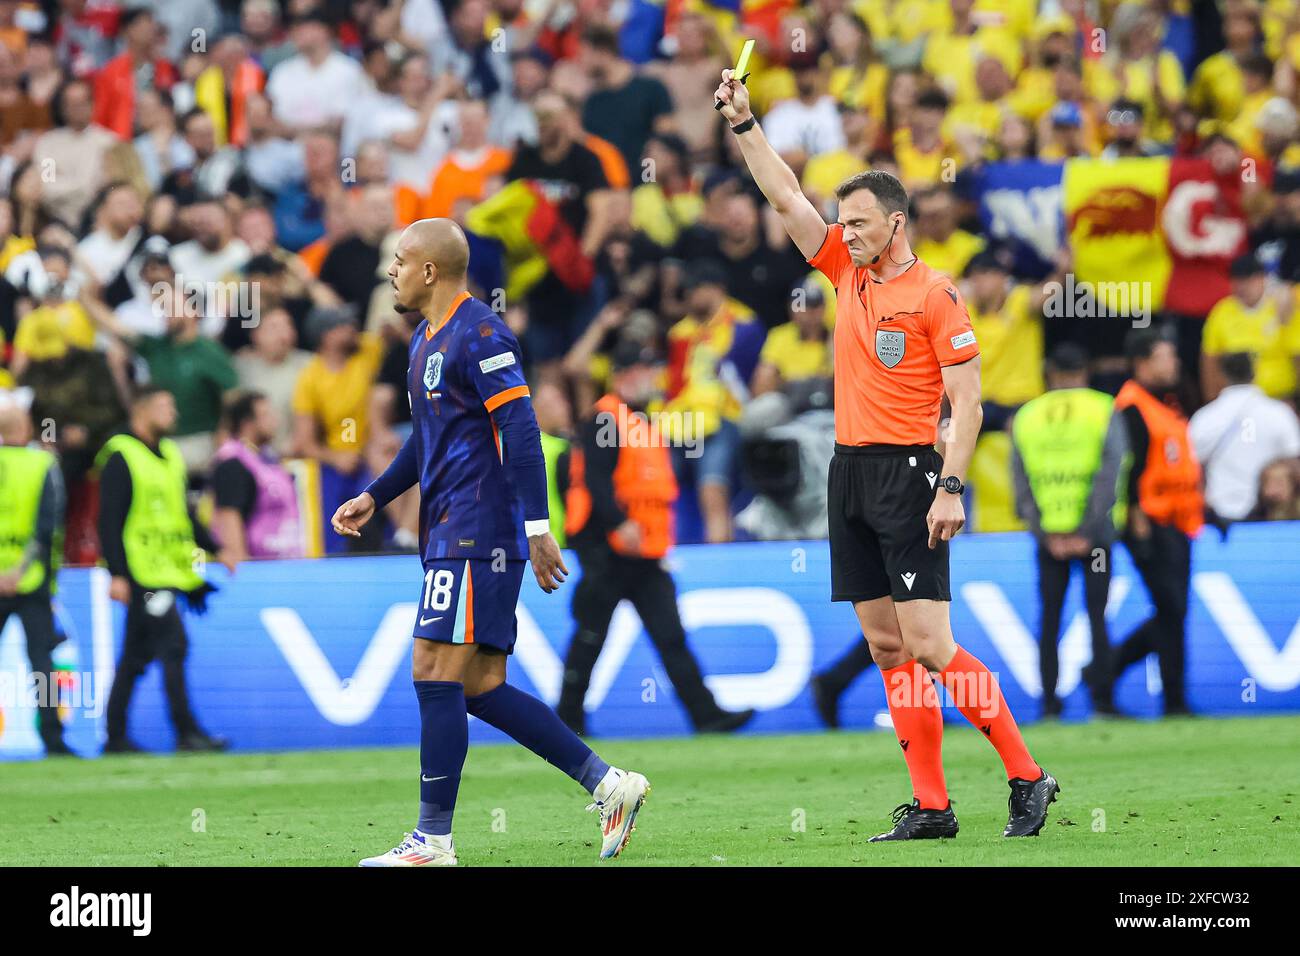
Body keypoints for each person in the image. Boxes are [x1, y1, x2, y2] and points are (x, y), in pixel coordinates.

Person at [716, 68, 1057, 841]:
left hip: (910, 473)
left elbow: (965, 405)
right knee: (886, 646)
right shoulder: (844, 270)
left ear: (896, 224)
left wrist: (952, 485)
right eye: (844, 221)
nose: (846, 231)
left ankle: (1029, 775)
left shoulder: (936, 294)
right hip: (850, 473)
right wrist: (745, 125)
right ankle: (933, 806)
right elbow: (784, 198)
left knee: (932, 645)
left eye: (860, 222)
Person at [331, 218, 649, 866]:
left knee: (430, 666)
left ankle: (433, 842)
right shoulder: (425, 340)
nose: (390, 272)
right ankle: (610, 785)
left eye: (398, 261)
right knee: (476, 687)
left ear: (429, 271)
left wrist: (536, 528)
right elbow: (428, 440)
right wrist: (376, 494)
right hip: (452, 525)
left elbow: (521, 426)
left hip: (478, 529)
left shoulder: (481, 332)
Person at [556, 342, 755, 736]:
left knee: (669, 636)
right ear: (624, 374)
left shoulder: (639, 419)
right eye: (646, 370)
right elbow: (594, 479)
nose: (653, 377)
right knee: (591, 636)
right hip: (607, 549)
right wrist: (617, 523)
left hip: (643, 553)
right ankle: (567, 719)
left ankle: (707, 716)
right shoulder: (605, 419)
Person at [96, 386, 237, 753]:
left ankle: (115, 736)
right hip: (142, 575)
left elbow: (184, 513)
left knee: (135, 656)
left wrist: (216, 547)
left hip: (168, 571)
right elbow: (108, 520)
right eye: (165, 406)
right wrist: (118, 574)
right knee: (174, 645)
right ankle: (186, 732)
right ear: (141, 411)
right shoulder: (120, 456)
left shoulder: (171, 455)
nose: (173, 413)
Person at [1010, 344, 1128, 719]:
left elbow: (1020, 480)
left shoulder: (1026, 416)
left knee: (1050, 617)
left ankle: (1048, 703)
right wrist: (1088, 529)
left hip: (1050, 539)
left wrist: (1044, 533)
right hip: (1093, 540)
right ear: (1085, 372)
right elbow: (1111, 473)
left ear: (1050, 373)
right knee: (1096, 613)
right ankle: (1103, 701)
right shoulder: (1103, 408)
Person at [1108, 328, 1204, 717]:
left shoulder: (1164, 403)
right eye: (1167, 356)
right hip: (1150, 522)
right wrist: (1135, 518)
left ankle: (1110, 671)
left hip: (1178, 522)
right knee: (1171, 607)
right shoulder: (1132, 406)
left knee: (1173, 610)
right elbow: (1126, 468)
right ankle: (1170, 698)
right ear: (1143, 362)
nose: (1175, 362)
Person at [0, 392, 72, 756]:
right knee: (41, 662)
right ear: (26, 427)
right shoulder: (42, 465)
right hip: (31, 580)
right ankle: (53, 738)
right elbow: (47, 527)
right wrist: (18, 570)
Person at [1189, 352, 1300, 523]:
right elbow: (1294, 464)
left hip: (1217, 515)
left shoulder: (1204, 418)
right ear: (1255, 373)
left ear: (1222, 375)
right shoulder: (1279, 413)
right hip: (1269, 514)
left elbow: (1190, 468)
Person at [210, 391, 302, 561]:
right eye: (266, 415)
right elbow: (229, 516)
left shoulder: (267, 458)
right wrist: (242, 567)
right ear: (247, 424)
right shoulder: (233, 464)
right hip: (258, 571)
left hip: (283, 565)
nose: (275, 421)